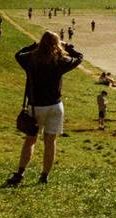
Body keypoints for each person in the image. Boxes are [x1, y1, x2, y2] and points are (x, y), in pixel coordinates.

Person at [7, 31, 83, 186]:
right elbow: (79, 58)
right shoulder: (59, 60)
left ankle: (20, 173)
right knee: (50, 142)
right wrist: (68, 47)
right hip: (55, 105)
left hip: (36, 106)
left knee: (30, 140)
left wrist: (33, 46)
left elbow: (18, 54)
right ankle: (44, 176)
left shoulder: (30, 59)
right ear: (56, 44)